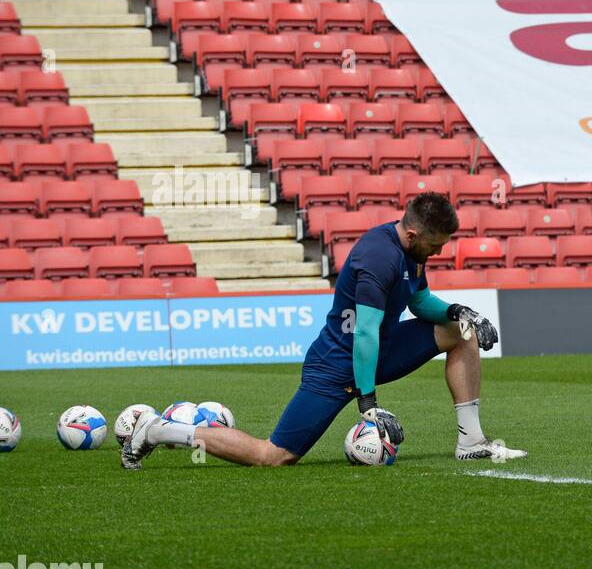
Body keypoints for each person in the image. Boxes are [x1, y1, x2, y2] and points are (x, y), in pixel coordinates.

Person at [121, 192, 527, 469]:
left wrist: (459, 310)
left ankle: (471, 442)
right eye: (437, 244)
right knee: (274, 456)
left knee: (461, 331)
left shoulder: (411, 250)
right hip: (336, 364)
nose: (440, 251)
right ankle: (159, 429)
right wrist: (368, 404)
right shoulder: (378, 258)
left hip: (381, 349)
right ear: (415, 233)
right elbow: (364, 333)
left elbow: (418, 301)